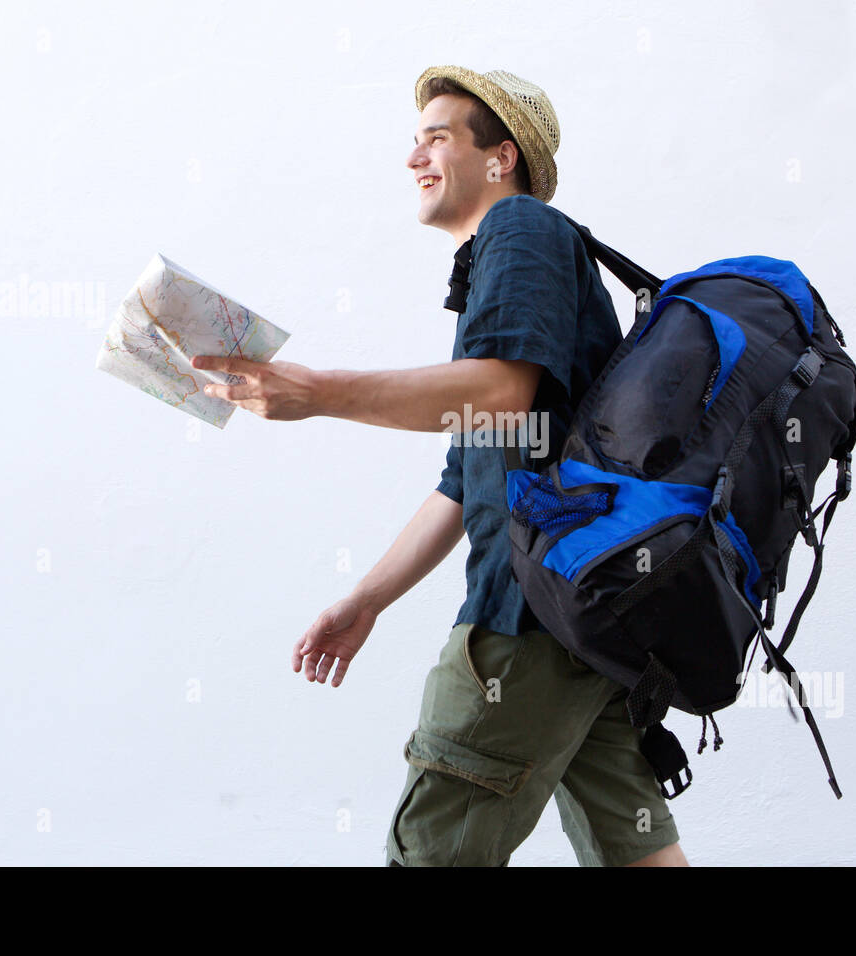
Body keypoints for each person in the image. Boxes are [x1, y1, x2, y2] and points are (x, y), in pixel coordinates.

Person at [193, 66, 687, 867]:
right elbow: (466, 481)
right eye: (414, 139)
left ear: (501, 159)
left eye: (437, 135)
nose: (414, 155)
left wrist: (316, 390)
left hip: (526, 620)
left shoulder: (521, 229)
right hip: (587, 624)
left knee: (431, 855)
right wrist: (367, 599)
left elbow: (495, 393)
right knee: (639, 858)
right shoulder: (513, 263)